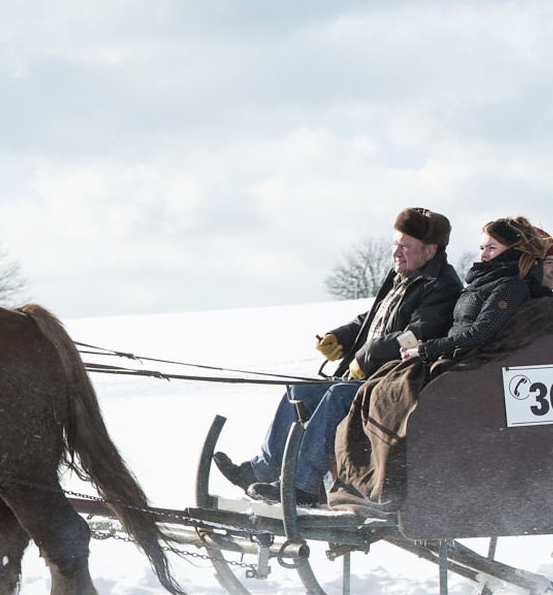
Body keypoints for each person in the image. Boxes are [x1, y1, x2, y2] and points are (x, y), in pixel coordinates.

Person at [213, 206, 462, 507]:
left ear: (431, 250)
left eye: (406, 247)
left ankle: (302, 486)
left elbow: (415, 335)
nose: (396, 252)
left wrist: (365, 358)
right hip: (372, 375)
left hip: (394, 384)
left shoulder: (442, 286)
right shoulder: (404, 276)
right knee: (300, 390)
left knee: (337, 396)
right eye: (395, 244)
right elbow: (372, 320)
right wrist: (342, 338)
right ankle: (261, 469)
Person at [399, 216, 550, 364]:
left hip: (476, 364)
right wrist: (422, 347)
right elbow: (458, 328)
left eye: (492, 248)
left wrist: (425, 350)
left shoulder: (511, 286)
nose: (483, 254)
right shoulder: (480, 283)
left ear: (513, 250)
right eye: (481, 248)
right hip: (458, 359)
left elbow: (479, 334)